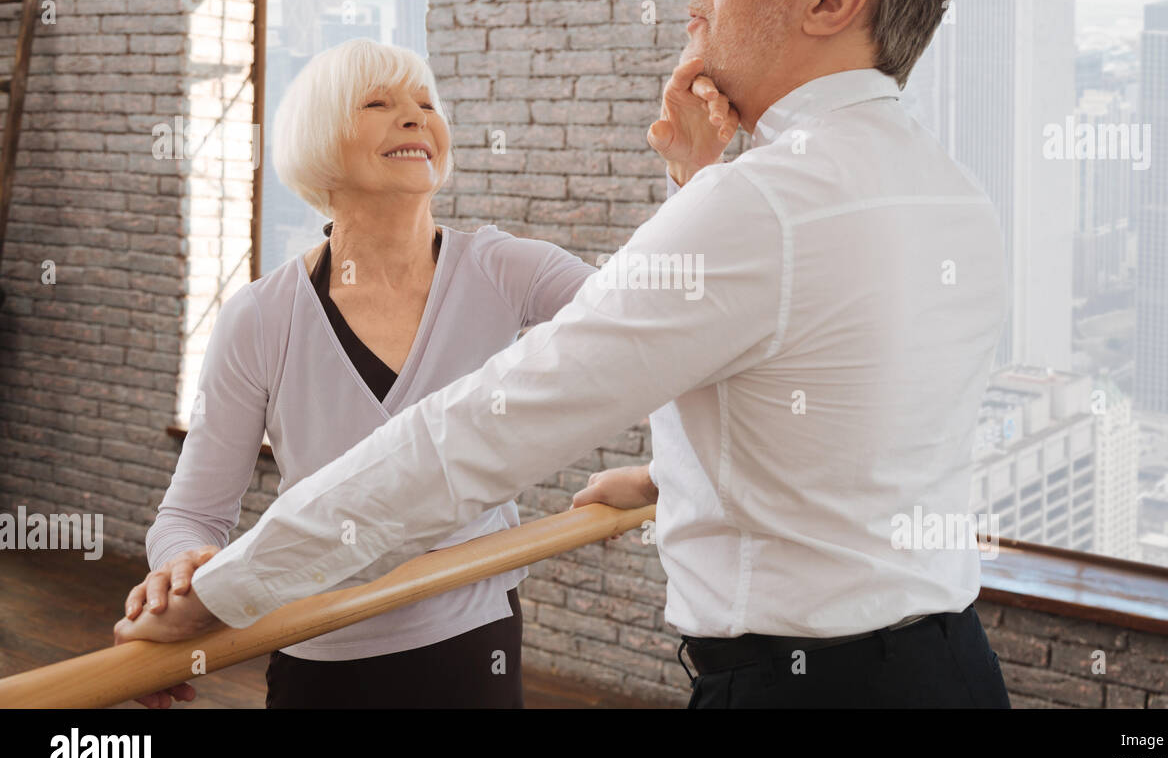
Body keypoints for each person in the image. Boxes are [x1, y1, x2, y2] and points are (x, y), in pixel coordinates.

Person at [118, 0, 1011, 709]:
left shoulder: (759, 205)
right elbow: (813, 405)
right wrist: (677, 477)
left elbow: (483, 428)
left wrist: (227, 590)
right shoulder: (952, 192)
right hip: (952, 667)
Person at [116, 36, 738, 708]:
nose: (415, 117)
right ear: (320, 143)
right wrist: (179, 576)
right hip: (318, 651)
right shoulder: (261, 318)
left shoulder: (503, 269)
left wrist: (692, 177)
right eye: (379, 103)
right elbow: (193, 513)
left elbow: (654, 325)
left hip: (473, 642)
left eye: (425, 103)